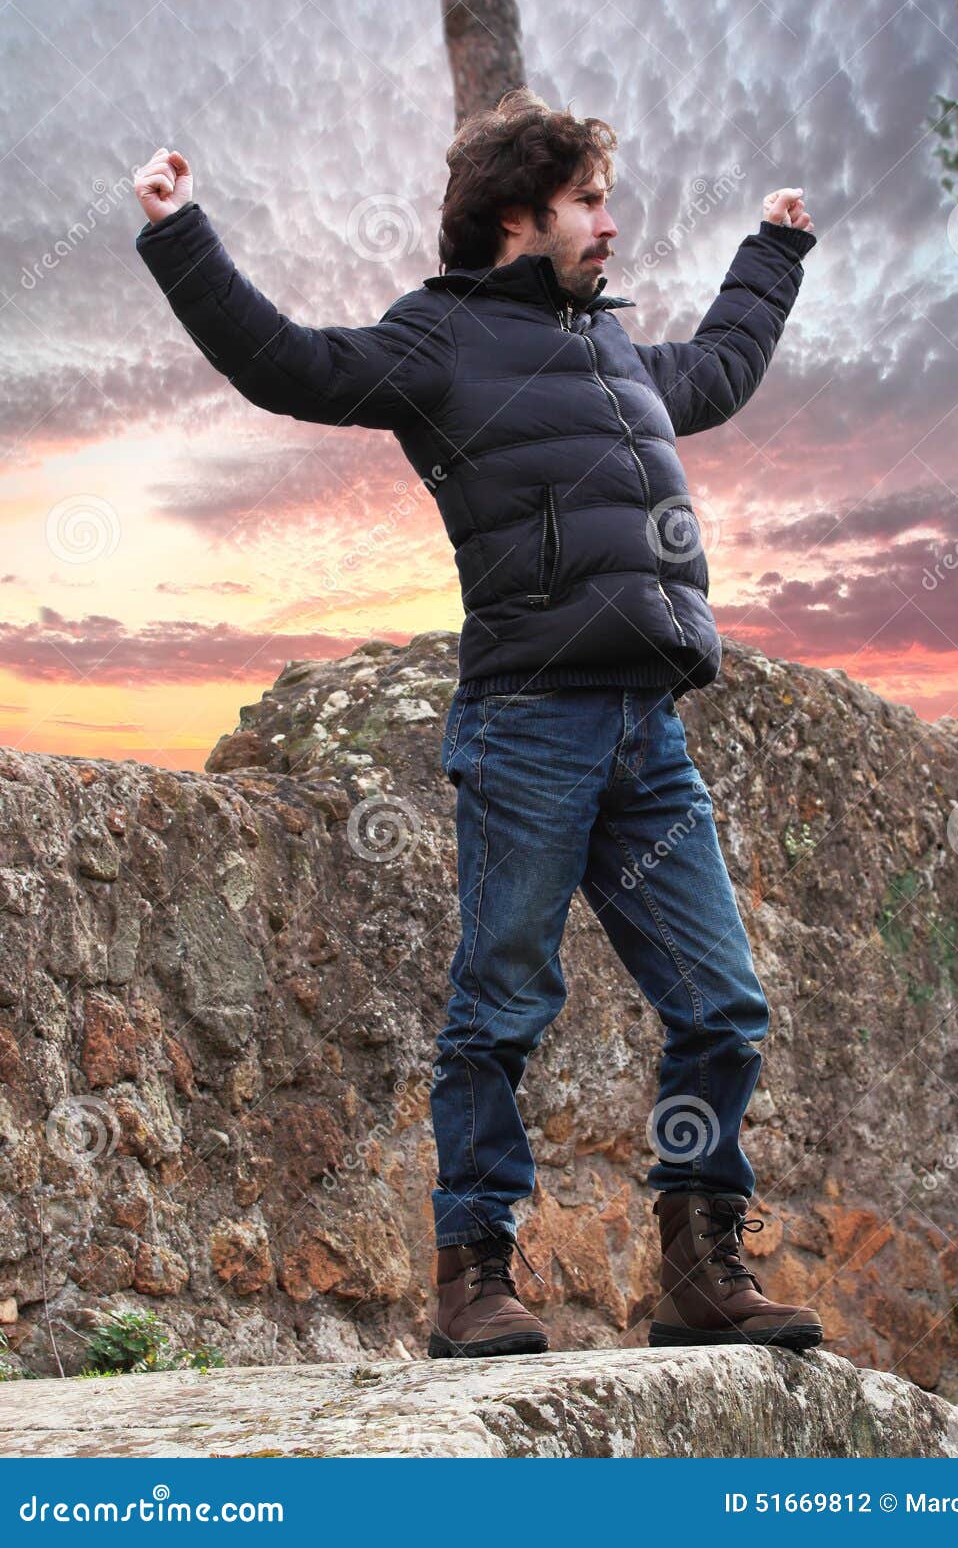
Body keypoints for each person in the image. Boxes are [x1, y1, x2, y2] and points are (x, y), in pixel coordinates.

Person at [133, 87, 823, 1361]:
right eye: (590, 202)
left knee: (721, 1001)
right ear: (520, 214)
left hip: (644, 734)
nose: (610, 225)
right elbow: (287, 361)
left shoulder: (613, 349)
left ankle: (697, 1263)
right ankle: (473, 1275)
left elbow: (717, 373)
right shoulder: (438, 342)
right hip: (529, 728)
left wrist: (770, 254)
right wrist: (182, 233)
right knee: (502, 1000)